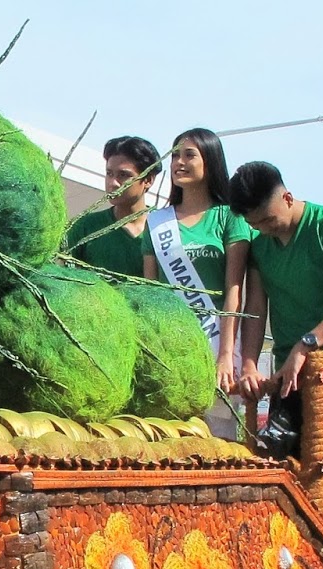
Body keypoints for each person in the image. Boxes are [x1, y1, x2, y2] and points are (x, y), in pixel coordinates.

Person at [230, 161, 323, 487]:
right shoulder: (260, 245)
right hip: (287, 372)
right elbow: (255, 309)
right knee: (285, 467)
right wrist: (249, 364)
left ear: (288, 198)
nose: (263, 228)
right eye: (253, 223)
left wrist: (305, 345)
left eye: (267, 219)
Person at [140, 128, 253, 435]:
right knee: (171, 437)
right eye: (175, 155)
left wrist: (225, 356)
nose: (179, 162)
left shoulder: (229, 217)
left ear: (210, 161)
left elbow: (234, 291)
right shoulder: (157, 222)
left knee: (219, 439)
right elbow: (151, 294)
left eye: (189, 155)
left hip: (217, 341)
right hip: (172, 346)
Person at [64, 135, 161, 279]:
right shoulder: (86, 227)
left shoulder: (165, 229)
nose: (113, 183)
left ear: (148, 180)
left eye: (123, 175)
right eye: (109, 173)